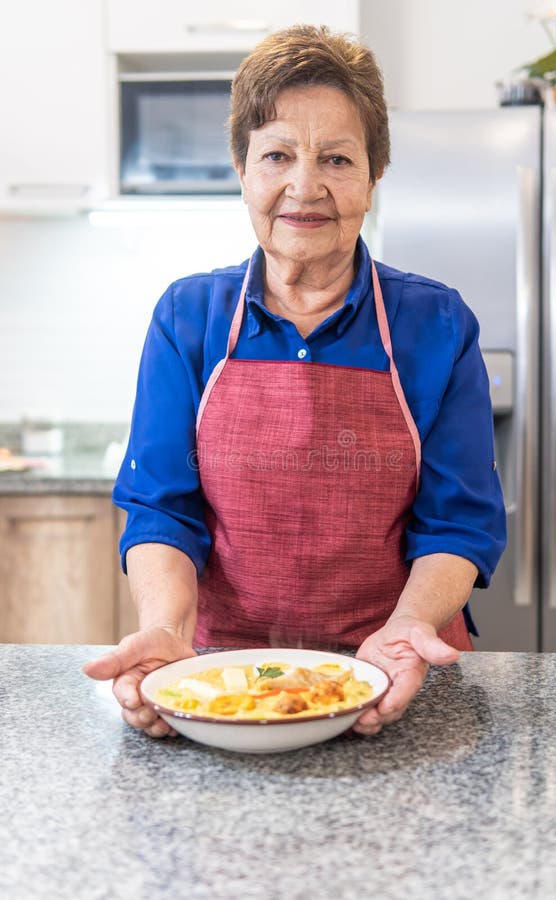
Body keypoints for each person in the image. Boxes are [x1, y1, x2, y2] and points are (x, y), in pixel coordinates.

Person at [84, 24, 506, 738]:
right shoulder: (188, 319)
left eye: (337, 158)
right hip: (223, 686)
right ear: (243, 171)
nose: (304, 187)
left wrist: (408, 628)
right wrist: (165, 628)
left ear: (372, 179)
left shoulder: (434, 324)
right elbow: (162, 508)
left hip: (396, 677)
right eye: (277, 154)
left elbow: (458, 522)